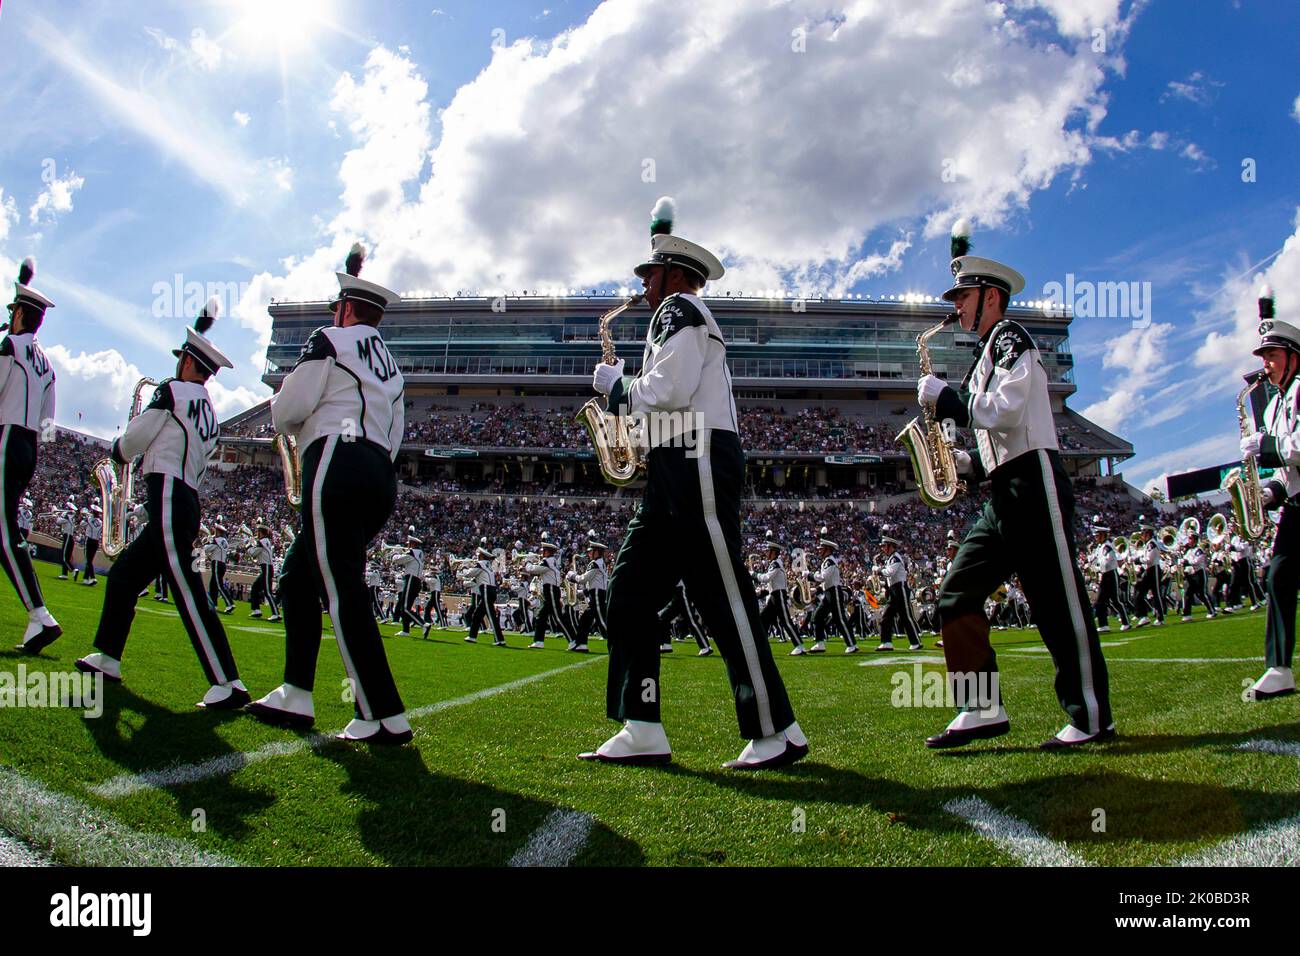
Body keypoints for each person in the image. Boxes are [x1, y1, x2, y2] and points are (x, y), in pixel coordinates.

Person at [579, 197, 805, 769]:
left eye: (649, 274)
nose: (643, 285)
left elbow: (670, 389)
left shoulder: (679, 309)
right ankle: (643, 724)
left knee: (722, 597)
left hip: (696, 456)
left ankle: (773, 730)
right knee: (630, 590)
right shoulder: (675, 314)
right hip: (675, 464)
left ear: (675, 273)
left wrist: (616, 388)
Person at [915, 221, 1112, 749]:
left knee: (1055, 600)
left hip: (1034, 480)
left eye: (963, 296)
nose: (956, 307)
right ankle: (980, 708)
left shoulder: (1011, 338)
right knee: (956, 593)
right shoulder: (984, 356)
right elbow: (993, 433)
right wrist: (963, 460)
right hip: (1003, 489)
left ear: (991, 297)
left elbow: (1006, 410)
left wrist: (948, 401)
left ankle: (1091, 715)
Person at [244, 244, 411, 742]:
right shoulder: (393, 370)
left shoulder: (329, 339)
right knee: (298, 578)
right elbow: (396, 435)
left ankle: (382, 713)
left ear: (343, 308)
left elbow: (285, 409)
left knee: (342, 589)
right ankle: (296, 692)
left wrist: (294, 416)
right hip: (378, 471)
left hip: (336, 460)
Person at [75, 298, 248, 709]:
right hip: (181, 497)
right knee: (123, 579)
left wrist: (117, 450)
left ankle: (227, 681)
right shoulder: (207, 409)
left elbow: (136, 438)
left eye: (181, 359)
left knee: (188, 591)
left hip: (170, 495)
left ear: (188, 362)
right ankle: (108, 656)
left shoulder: (172, 392)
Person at [1238, 287, 1300, 699]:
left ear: (1294, 356)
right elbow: (1287, 472)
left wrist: (1267, 446)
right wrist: (1267, 493)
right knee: (1278, 576)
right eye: (1263, 358)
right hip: (1297, 507)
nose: (1266, 365)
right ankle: (1278, 668)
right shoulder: (1275, 404)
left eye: (1272, 356)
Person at [3, 258, 62, 653]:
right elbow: (48, 423)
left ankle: (40, 614)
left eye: (12, 312)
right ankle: (38, 615)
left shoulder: (9, 346)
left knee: (3, 530)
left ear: (20, 313)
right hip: (29, 445)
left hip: (5, 438)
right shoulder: (47, 364)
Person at [810, 532, 856, 654]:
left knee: (839, 619)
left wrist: (809, 575)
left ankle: (851, 644)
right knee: (817, 616)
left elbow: (823, 577)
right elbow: (826, 581)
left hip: (834, 593)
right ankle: (820, 643)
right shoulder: (826, 562)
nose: (819, 551)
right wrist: (817, 590)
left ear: (827, 549)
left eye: (821, 549)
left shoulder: (829, 562)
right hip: (829, 593)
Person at [875, 534, 923, 652]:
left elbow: (889, 572)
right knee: (886, 617)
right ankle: (886, 642)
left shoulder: (895, 558)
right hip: (894, 590)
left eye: (884, 546)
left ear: (890, 546)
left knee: (906, 617)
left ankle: (915, 642)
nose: (882, 549)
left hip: (900, 589)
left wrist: (878, 569)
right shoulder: (891, 559)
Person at [1089, 522, 1130, 632]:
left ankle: (1107, 625)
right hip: (1106, 575)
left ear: (1103, 535)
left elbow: (1106, 562)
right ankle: (1110, 624)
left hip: (1110, 575)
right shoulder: (1101, 547)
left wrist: (1096, 567)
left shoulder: (1107, 547)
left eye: (1098, 536)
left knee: (1107, 601)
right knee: (1109, 601)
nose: (1096, 538)